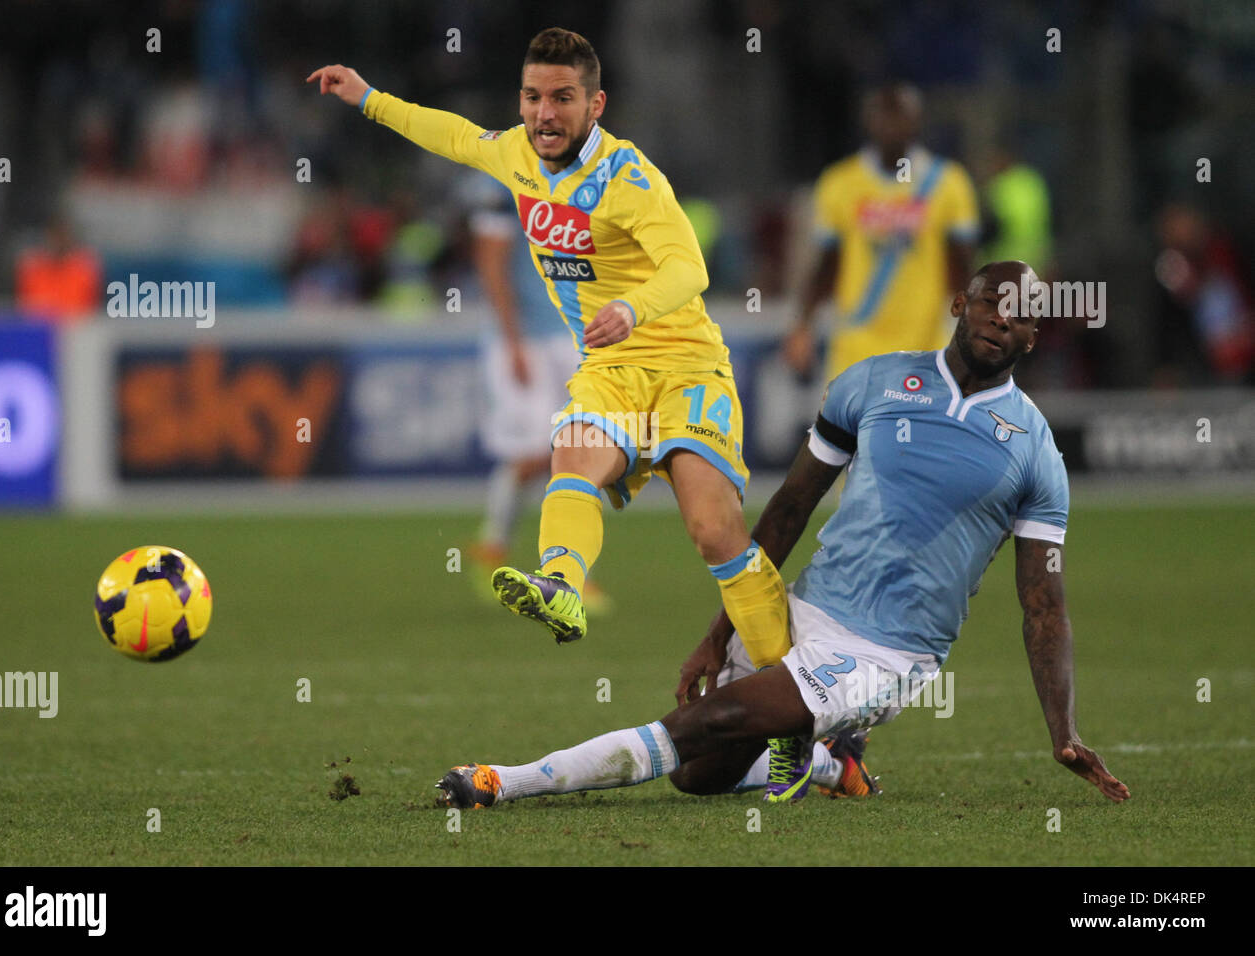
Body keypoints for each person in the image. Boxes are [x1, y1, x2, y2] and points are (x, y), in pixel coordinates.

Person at [434, 261, 1131, 810]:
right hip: (800, 611)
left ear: (1034, 338)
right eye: (991, 303)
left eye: (1021, 319)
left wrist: (1063, 731)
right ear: (961, 305)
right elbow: (791, 507)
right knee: (699, 776)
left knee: (713, 719)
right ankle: (832, 759)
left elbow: (1044, 604)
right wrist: (722, 626)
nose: (1001, 322)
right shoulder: (872, 384)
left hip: (886, 653)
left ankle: (505, 781)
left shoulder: (1034, 449)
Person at [308, 32, 792, 699]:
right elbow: (451, 135)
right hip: (609, 369)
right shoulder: (517, 154)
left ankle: (791, 686)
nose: (544, 114)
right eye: (533, 97)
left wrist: (632, 308)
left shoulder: (631, 180)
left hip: (685, 365)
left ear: (595, 104)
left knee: (713, 533)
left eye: (562, 98)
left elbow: (690, 267)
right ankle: (561, 585)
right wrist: (369, 99)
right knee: (572, 455)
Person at [458, 171, 608, 612]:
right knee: (534, 456)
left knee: (580, 452)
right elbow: (491, 261)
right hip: (526, 340)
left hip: (570, 337)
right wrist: (513, 341)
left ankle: (567, 576)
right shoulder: (505, 179)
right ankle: (495, 548)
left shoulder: (593, 175)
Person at [783, 84, 978, 385]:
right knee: (851, 431)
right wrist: (803, 325)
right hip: (856, 350)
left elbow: (962, 269)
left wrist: (973, 333)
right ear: (868, 121)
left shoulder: (948, 183)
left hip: (924, 351)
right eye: (884, 116)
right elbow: (827, 265)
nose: (892, 125)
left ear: (917, 121)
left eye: (900, 115)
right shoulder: (840, 183)